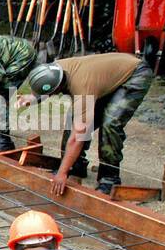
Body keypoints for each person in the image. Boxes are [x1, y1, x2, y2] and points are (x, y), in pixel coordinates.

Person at [24, 52, 151, 196]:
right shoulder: (56, 69)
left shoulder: (82, 89)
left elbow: (78, 136)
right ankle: (76, 166)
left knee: (110, 123)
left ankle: (109, 178)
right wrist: (34, 98)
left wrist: (62, 173)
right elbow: (48, 86)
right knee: (74, 117)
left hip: (135, 74)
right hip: (106, 76)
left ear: (59, 87)